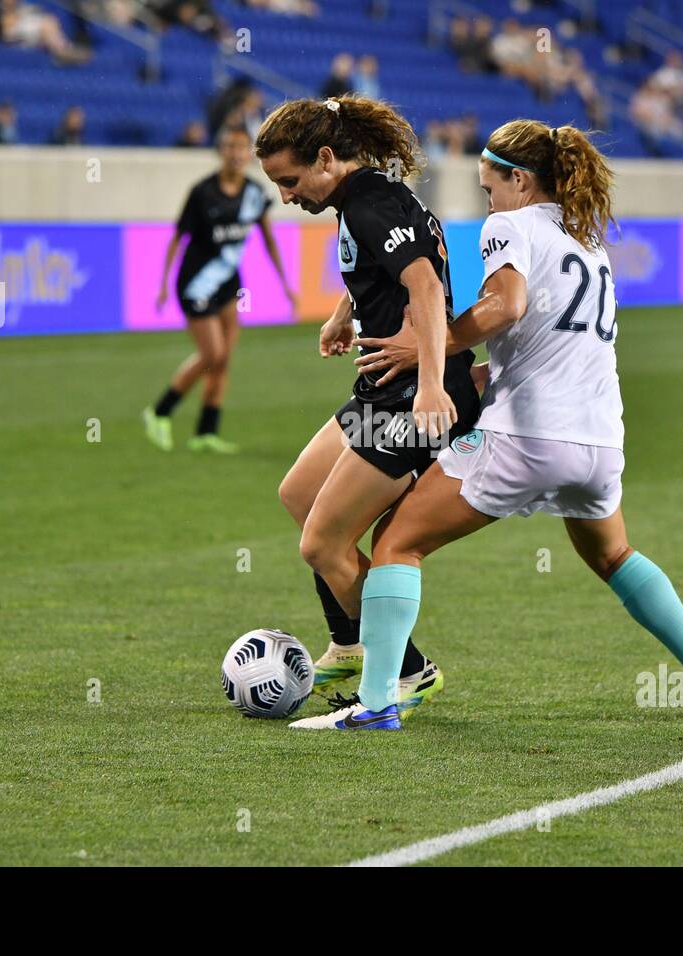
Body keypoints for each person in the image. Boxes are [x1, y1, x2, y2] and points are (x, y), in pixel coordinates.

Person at [290, 119, 683, 730]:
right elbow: (537, 351)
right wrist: (460, 369)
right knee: (615, 554)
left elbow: (506, 307)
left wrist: (428, 348)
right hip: (598, 443)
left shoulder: (509, 226)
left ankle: (379, 702)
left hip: (526, 439)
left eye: (491, 189)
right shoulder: (586, 240)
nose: (489, 201)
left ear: (520, 181)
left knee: (396, 545)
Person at [254, 94, 481, 709]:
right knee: (298, 495)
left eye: (289, 180)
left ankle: (407, 671)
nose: (286, 195)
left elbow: (428, 287)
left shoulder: (374, 204)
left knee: (322, 544)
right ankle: (351, 644)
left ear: (326, 158)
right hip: (385, 385)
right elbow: (379, 270)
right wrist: (341, 312)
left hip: (414, 395)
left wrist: (433, 384)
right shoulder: (357, 196)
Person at [143, 124, 294, 454]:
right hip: (196, 283)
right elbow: (178, 237)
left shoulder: (254, 193)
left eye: (242, 147)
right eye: (229, 146)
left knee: (224, 359)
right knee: (212, 354)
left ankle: (205, 432)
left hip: (229, 284)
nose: (236, 153)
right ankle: (159, 411)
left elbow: (268, 240)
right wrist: (163, 285)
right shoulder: (202, 192)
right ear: (220, 150)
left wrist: (284, 282)